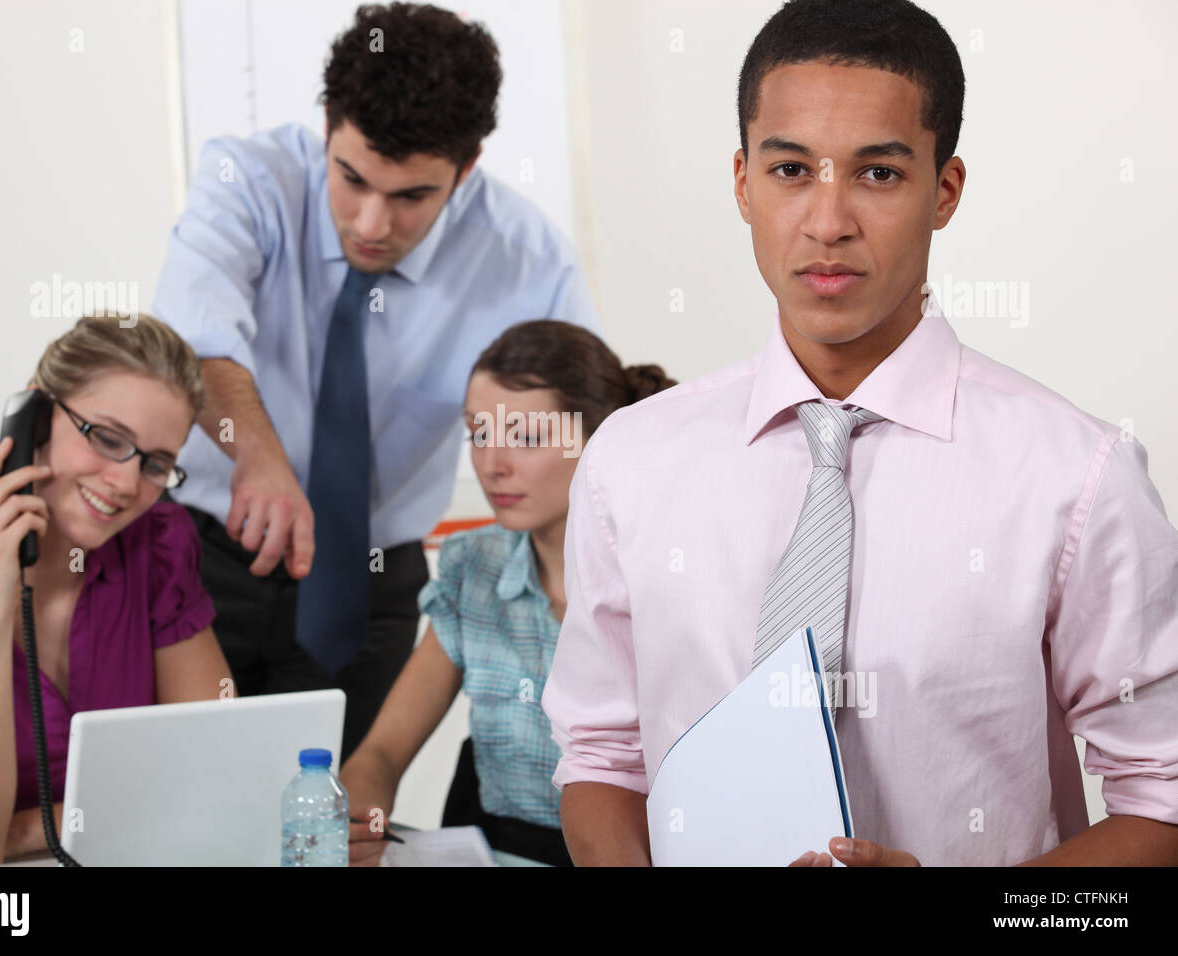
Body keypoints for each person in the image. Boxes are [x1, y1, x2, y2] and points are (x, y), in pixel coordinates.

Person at [542, 0, 1178, 867]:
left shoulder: (1077, 477)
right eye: (792, 170)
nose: (828, 220)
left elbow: (1162, 803)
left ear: (943, 191)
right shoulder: (633, 460)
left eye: (878, 174)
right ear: (741, 183)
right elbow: (603, 756)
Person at [152, 2, 602, 762]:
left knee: (330, 819)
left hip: (366, 579)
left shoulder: (529, 259)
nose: (369, 223)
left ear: (466, 167)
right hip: (200, 555)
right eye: (351, 177)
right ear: (328, 124)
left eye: (409, 197)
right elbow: (194, 342)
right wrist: (258, 458)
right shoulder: (248, 180)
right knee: (183, 803)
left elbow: (583, 422)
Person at [0, 315, 232, 866]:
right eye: (109, 439)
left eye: (156, 465)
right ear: (34, 416)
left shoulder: (158, 546)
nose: (126, 484)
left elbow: (217, 768)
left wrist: (25, 830)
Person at [339, 321, 674, 866]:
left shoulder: (672, 572)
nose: (493, 464)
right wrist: (355, 818)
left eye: (525, 437)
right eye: (479, 433)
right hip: (495, 847)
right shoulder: (473, 565)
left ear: (601, 436)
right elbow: (382, 750)